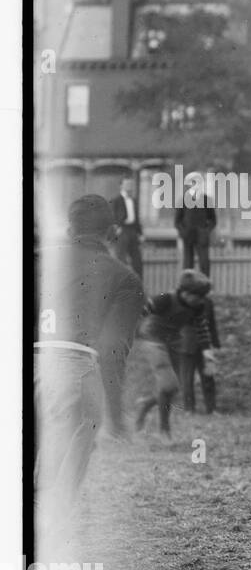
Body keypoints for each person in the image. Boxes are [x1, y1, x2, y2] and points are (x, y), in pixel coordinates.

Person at [35, 195, 144, 520]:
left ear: (69, 229)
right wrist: (114, 415)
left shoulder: (35, 260)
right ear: (112, 231)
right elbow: (112, 353)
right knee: (82, 430)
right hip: (71, 369)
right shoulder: (125, 278)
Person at [134, 269, 215, 437]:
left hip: (174, 342)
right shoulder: (164, 299)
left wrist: (207, 351)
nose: (200, 300)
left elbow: (201, 328)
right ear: (185, 292)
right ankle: (165, 430)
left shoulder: (198, 306)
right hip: (153, 340)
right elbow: (139, 312)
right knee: (169, 384)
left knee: (171, 388)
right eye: (197, 296)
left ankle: (145, 407)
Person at [178, 284, 220, 414]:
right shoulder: (184, 302)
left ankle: (211, 408)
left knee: (209, 377)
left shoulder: (208, 303)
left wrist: (215, 343)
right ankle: (189, 409)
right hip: (186, 345)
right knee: (187, 378)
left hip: (205, 347)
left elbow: (211, 323)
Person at [174, 178, 217, 275]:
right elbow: (177, 221)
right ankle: (188, 287)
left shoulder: (207, 200)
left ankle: (205, 286)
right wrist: (183, 232)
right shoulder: (183, 200)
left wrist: (206, 231)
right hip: (188, 235)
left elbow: (213, 220)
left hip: (202, 235)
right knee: (188, 264)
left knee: (204, 262)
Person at [109, 177, 143, 277]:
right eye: (127, 184)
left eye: (131, 184)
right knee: (120, 258)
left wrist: (140, 233)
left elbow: (137, 219)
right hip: (122, 231)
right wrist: (116, 228)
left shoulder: (134, 200)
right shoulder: (115, 200)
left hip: (133, 231)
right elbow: (111, 217)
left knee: (137, 260)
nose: (129, 187)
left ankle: (139, 285)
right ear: (121, 186)